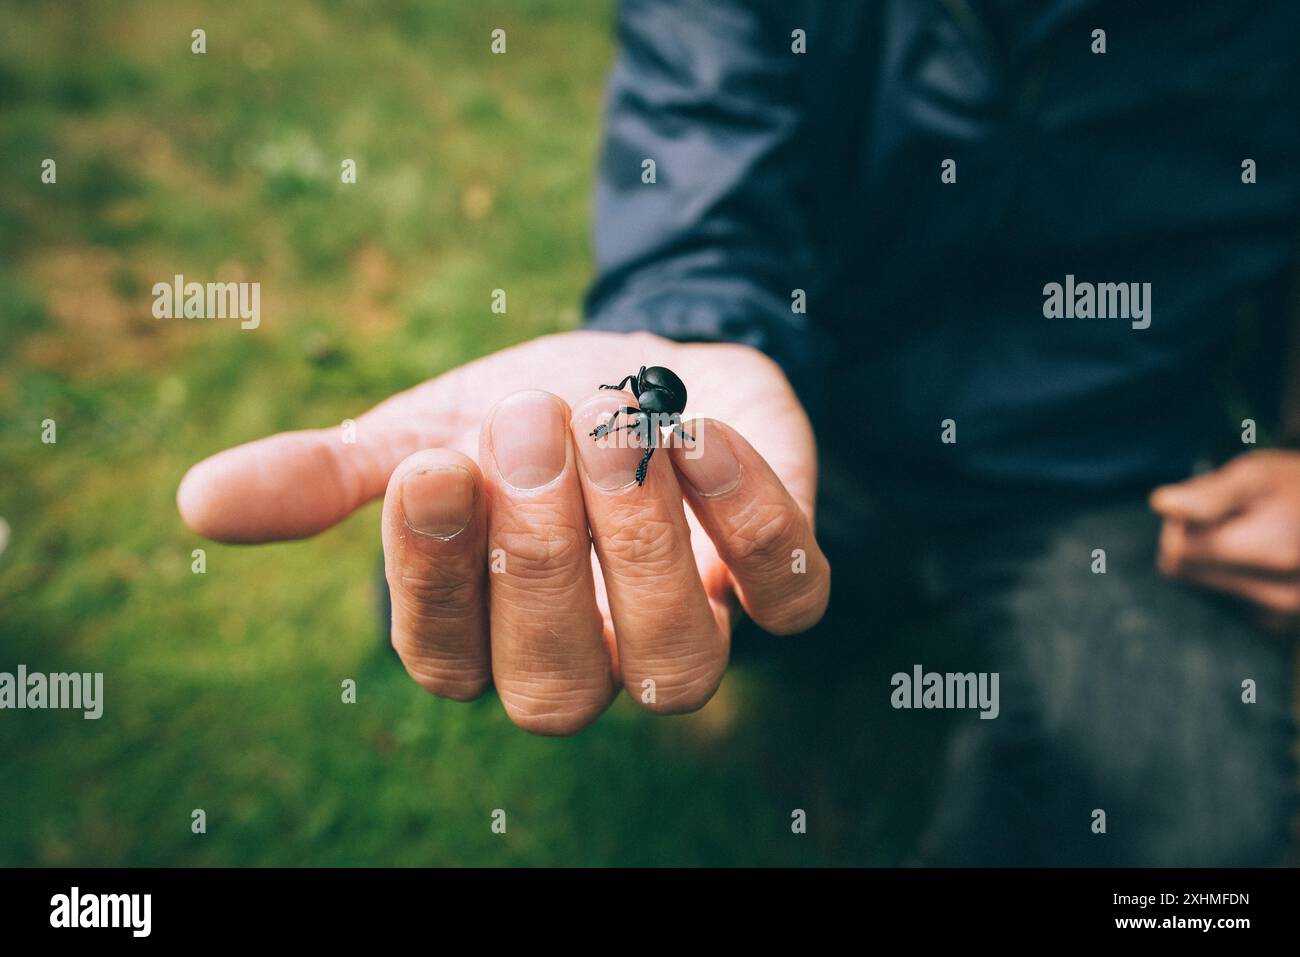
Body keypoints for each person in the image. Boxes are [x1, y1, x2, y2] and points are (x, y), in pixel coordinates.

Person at [178, 0, 1300, 865]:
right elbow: (698, 204)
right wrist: (693, 345)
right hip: (801, 456)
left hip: (1104, 486)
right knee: (490, 578)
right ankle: (854, 626)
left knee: (1213, 833)